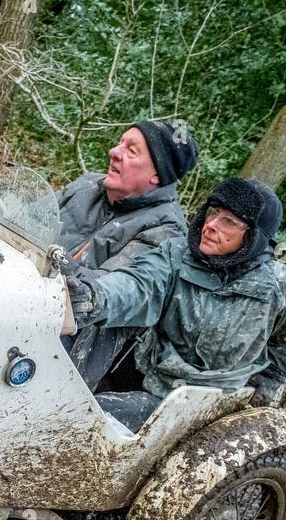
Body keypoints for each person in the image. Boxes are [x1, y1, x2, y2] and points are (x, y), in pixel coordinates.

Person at [62, 177, 286, 432]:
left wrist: (271, 378)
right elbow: (139, 284)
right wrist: (95, 296)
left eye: (229, 221)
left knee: (90, 422)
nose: (211, 225)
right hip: (151, 374)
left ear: (254, 237)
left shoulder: (285, 288)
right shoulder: (175, 255)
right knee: (73, 408)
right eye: (213, 213)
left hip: (204, 400)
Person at [56, 120, 200, 390]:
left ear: (157, 175)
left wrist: (71, 277)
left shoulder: (166, 232)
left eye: (131, 151)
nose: (114, 151)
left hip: (71, 341)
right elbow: (26, 221)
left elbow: (115, 289)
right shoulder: (85, 186)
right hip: (22, 297)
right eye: (120, 142)